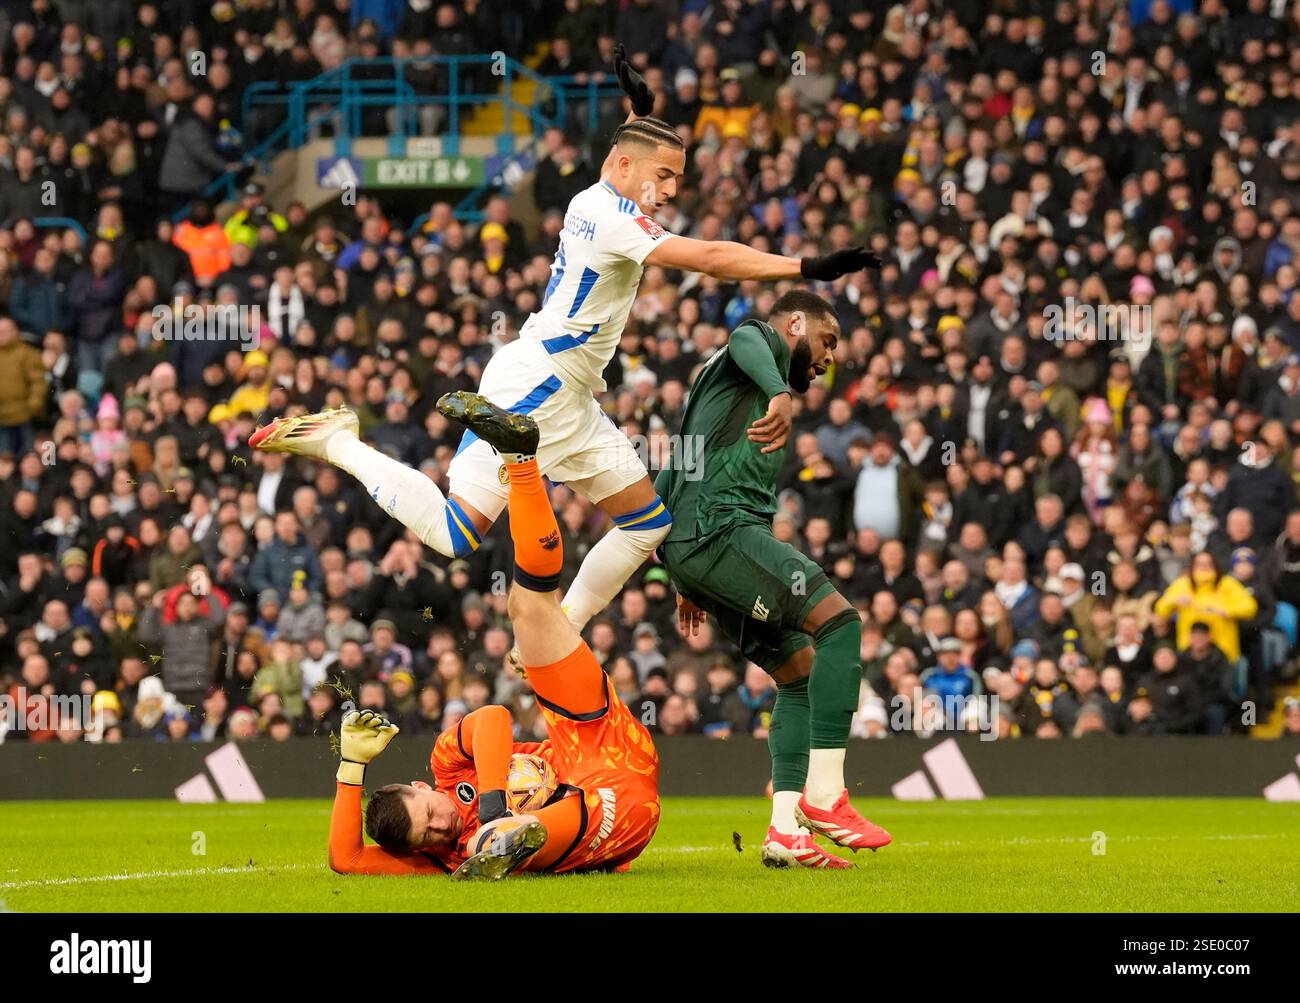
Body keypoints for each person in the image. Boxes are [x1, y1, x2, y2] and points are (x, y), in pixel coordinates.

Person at [249, 46, 882, 669]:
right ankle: (340, 442)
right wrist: (806, 267)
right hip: (535, 387)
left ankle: (557, 636)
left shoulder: (604, 199)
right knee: (453, 535)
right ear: (627, 164)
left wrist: (641, 111)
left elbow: (634, 166)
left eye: (676, 183)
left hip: (570, 397)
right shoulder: (609, 218)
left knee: (647, 522)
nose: (667, 193)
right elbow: (713, 259)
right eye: (662, 178)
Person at [327, 397, 660, 879]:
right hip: (612, 812)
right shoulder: (443, 856)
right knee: (490, 843)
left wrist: (490, 803)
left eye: (429, 814)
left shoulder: (446, 762)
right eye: (427, 837)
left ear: (420, 786)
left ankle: (521, 459)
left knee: (527, 607)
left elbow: (493, 719)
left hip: (594, 744)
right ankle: (508, 843)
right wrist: (350, 768)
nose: (440, 828)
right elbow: (348, 860)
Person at [656, 289, 892, 868]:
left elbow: (669, 476)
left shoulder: (714, 401)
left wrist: (680, 572)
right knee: (839, 623)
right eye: (827, 340)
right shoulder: (757, 345)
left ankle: (786, 830)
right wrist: (782, 392)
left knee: (797, 675)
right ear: (794, 324)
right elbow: (745, 333)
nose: (831, 356)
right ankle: (825, 795)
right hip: (723, 531)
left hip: (697, 543)